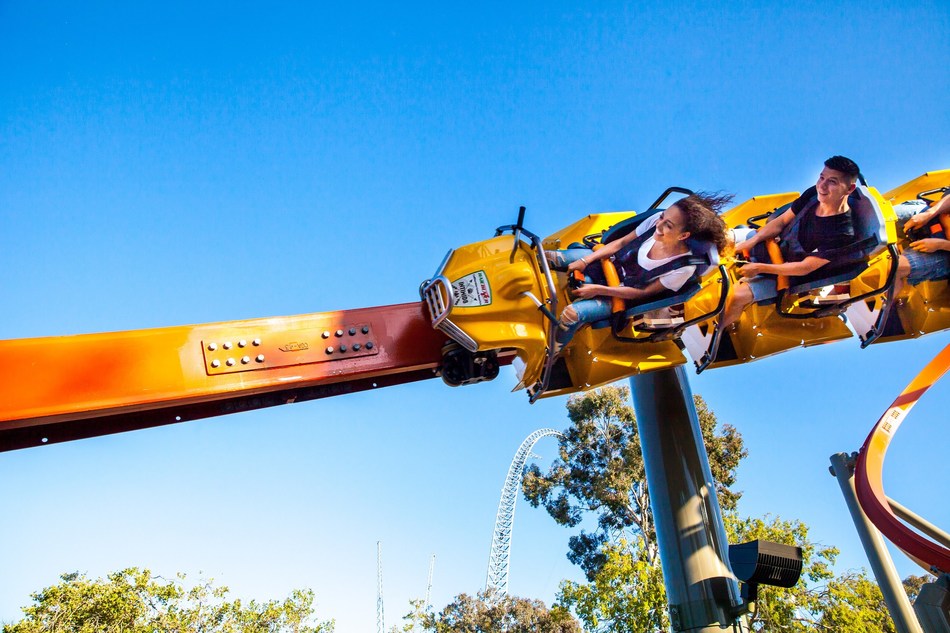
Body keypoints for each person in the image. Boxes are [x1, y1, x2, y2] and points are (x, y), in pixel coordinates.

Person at [546, 192, 732, 351]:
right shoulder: (654, 223)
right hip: (606, 263)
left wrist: (597, 290)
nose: (659, 226)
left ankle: (553, 350)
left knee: (572, 314)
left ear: (683, 236)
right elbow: (620, 243)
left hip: (619, 295)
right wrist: (584, 260)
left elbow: (642, 293)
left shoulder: (683, 267)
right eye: (662, 217)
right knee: (552, 257)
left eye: (668, 226)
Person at [719, 155, 861, 329]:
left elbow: (804, 268)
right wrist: (753, 240)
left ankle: (719, 331)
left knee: (737, 297)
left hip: (787, 273)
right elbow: (781, 221)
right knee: (722, 238)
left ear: (849, 189)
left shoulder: (842, 233)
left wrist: (760, 268)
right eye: (821, 177)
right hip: (773, 245)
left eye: (832, 181)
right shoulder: (812, 195)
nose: (822, 186)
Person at [892, 191, 950, 297]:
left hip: (946, 252)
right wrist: (929, 214)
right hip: (934, 214)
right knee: (882, 216)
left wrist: (941, 244)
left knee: (895, 268)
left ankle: (885, 307)